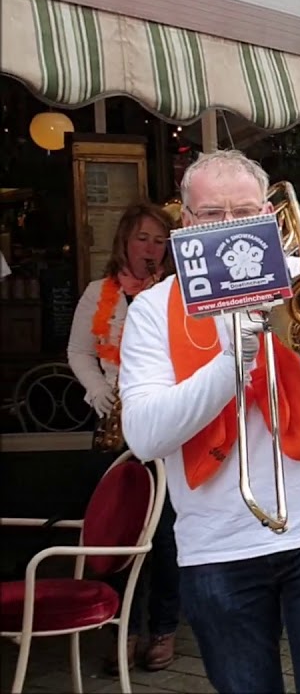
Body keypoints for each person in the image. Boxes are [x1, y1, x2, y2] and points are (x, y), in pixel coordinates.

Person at [118, 149, 300, 693]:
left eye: (243, 212)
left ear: (268, 215)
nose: (229, 225)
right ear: (187, 222)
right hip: (218, 546)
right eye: (211, 214)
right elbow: (144, 436)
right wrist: (232, 362)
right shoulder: (154, 308)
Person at [67, 201, 179, 673]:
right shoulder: (99, 292)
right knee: (118, 533)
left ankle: (164, 628)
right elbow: (78, 350)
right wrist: (97, 390)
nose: (150, 248)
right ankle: (123, 630)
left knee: (166, 534)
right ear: (124, 243)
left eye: (159, 241)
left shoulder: (174, 292)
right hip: (116, 424)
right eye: (142, 239)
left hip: (164, 420)